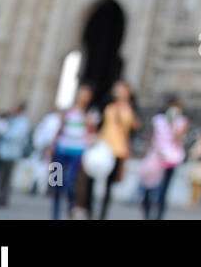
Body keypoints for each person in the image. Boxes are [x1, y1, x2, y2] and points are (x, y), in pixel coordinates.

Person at [77, 79, 140, 220]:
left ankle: (102, 215)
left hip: (119, 149)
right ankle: (88, 210)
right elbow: (101, 124)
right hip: (103, 147)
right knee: (90, 178)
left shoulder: (129, 109)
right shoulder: (108, 106)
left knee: (108, 186)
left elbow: (134, 128)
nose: (117, 91)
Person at [49, 83, 97, 219]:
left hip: (77, 151)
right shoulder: (68, 111)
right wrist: (52, 145)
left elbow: (92, 133)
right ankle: (55, 215)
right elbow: (60, 128)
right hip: (61, 149)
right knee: (55, 182)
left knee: (70, 182)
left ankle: (71, 209)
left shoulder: (89, 113)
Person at [142, 96, 188, 219]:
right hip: (155, 157)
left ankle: (159, 215)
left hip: (170, 159)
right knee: (149, 186)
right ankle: (147, 213)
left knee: (164, 189)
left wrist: (173, 125)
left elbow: (178, 140)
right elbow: (151, 138)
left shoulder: (181, 122)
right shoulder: (157, 120)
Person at [0, 101, 31, 207]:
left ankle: (3, 198)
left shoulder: (22, 122)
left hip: (11, 153)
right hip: (4, 152)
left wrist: (4, 132)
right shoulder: (12, 120)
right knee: (0, 177)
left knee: (6, 178)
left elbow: (15, 135)